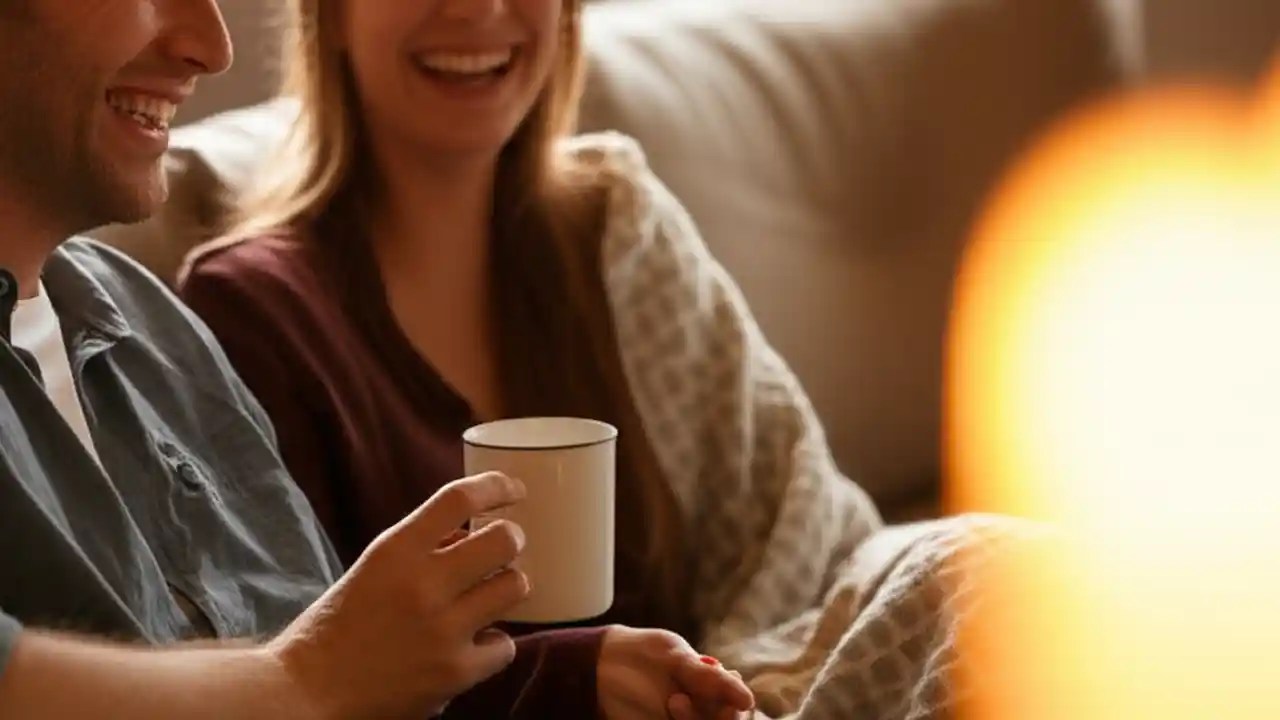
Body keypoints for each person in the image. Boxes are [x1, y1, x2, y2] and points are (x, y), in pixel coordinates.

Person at [0, 1, 756, 718]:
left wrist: (570, 678)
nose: (212, 47)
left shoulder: (153, 328)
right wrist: (301, 680)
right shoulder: (250, 304)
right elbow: (313, 677)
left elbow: (343, 671)